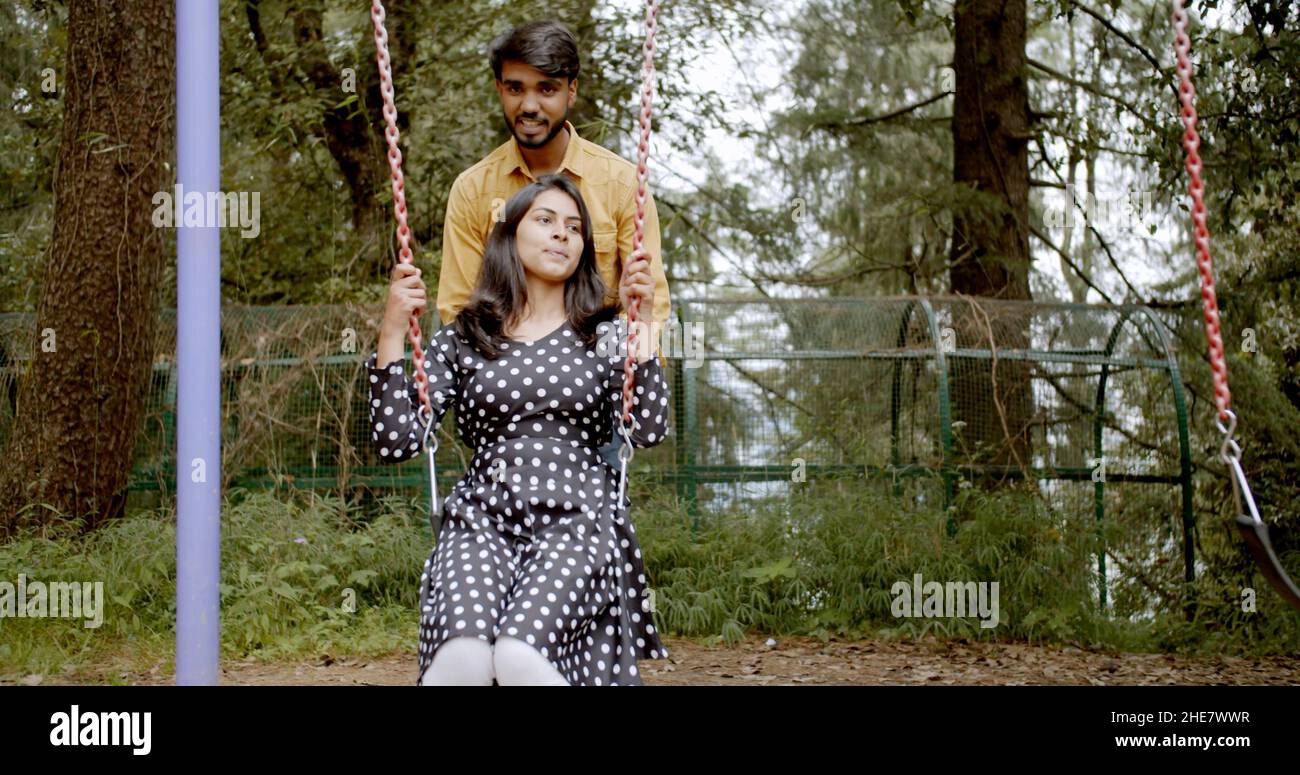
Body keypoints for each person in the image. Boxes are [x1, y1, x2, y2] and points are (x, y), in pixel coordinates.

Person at [365, 175, 670, 686]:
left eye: (575, 228)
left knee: (518, 656)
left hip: (578, 518)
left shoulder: (603, 333)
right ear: (509, 235)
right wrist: (393, 330)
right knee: (461, 657)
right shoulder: (468, 334)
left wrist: (645, 334)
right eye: (545, 220)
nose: (562, 235)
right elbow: (396, 438)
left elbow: (648, 430)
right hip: (483, 516)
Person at [436, 19, 672, 471]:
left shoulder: (620, 183)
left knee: (589, 532)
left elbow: (649, 303)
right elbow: (458, 308)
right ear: (499, 89)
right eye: (515, 88)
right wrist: (501, 382)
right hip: (503, 406)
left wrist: (631, 388)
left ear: (571, 92)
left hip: (590, 404)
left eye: (546, 89)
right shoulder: (473, 190)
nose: (529, 105)